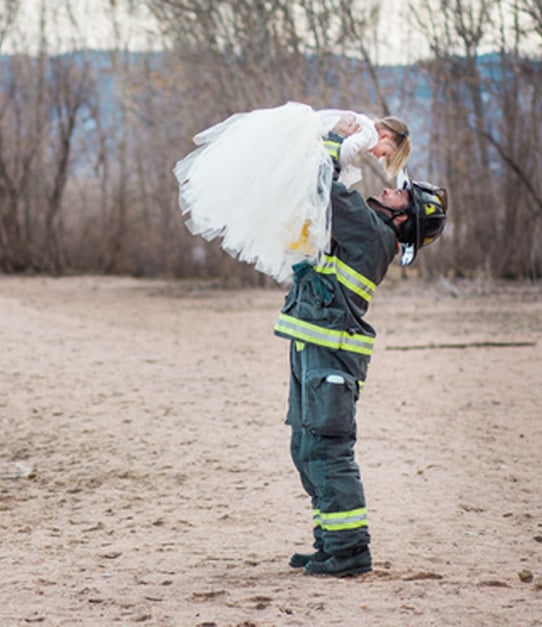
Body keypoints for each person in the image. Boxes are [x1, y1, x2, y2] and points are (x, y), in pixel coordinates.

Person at [276, 118, 447, 577]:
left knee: (327, 449)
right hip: (315, 348)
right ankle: (330, 543)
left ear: (402, 218)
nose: (391, 191)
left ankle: (350, 551)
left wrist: (339, 141)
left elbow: (320, 182)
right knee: (306, 447)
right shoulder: (373, 228)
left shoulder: (370, 230)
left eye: (400, 196)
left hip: (330, 355)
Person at [173, 102, 412, 283]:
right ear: (386, 136)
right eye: (386, 152)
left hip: (304, 141)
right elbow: (343, 149)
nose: (379, 156)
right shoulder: (369, 133)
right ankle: (302, 252)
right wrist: (336, 172)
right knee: (310, 208)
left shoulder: (359, 121)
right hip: (312, 151)